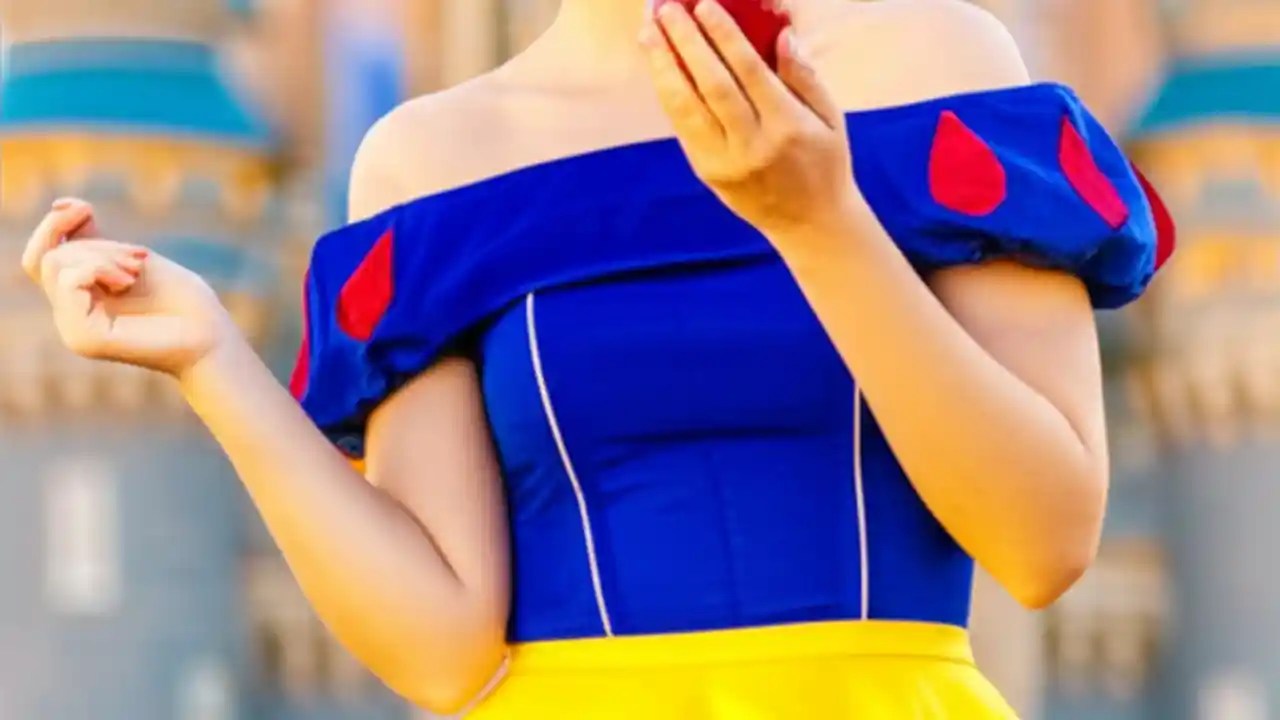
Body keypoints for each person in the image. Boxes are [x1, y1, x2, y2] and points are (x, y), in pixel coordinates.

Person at [21, 0, 1174, 716]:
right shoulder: (433, 164)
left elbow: (1041, 539)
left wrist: (816, 221)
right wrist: (216, 366)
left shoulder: (934, 63)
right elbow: (441, 652)